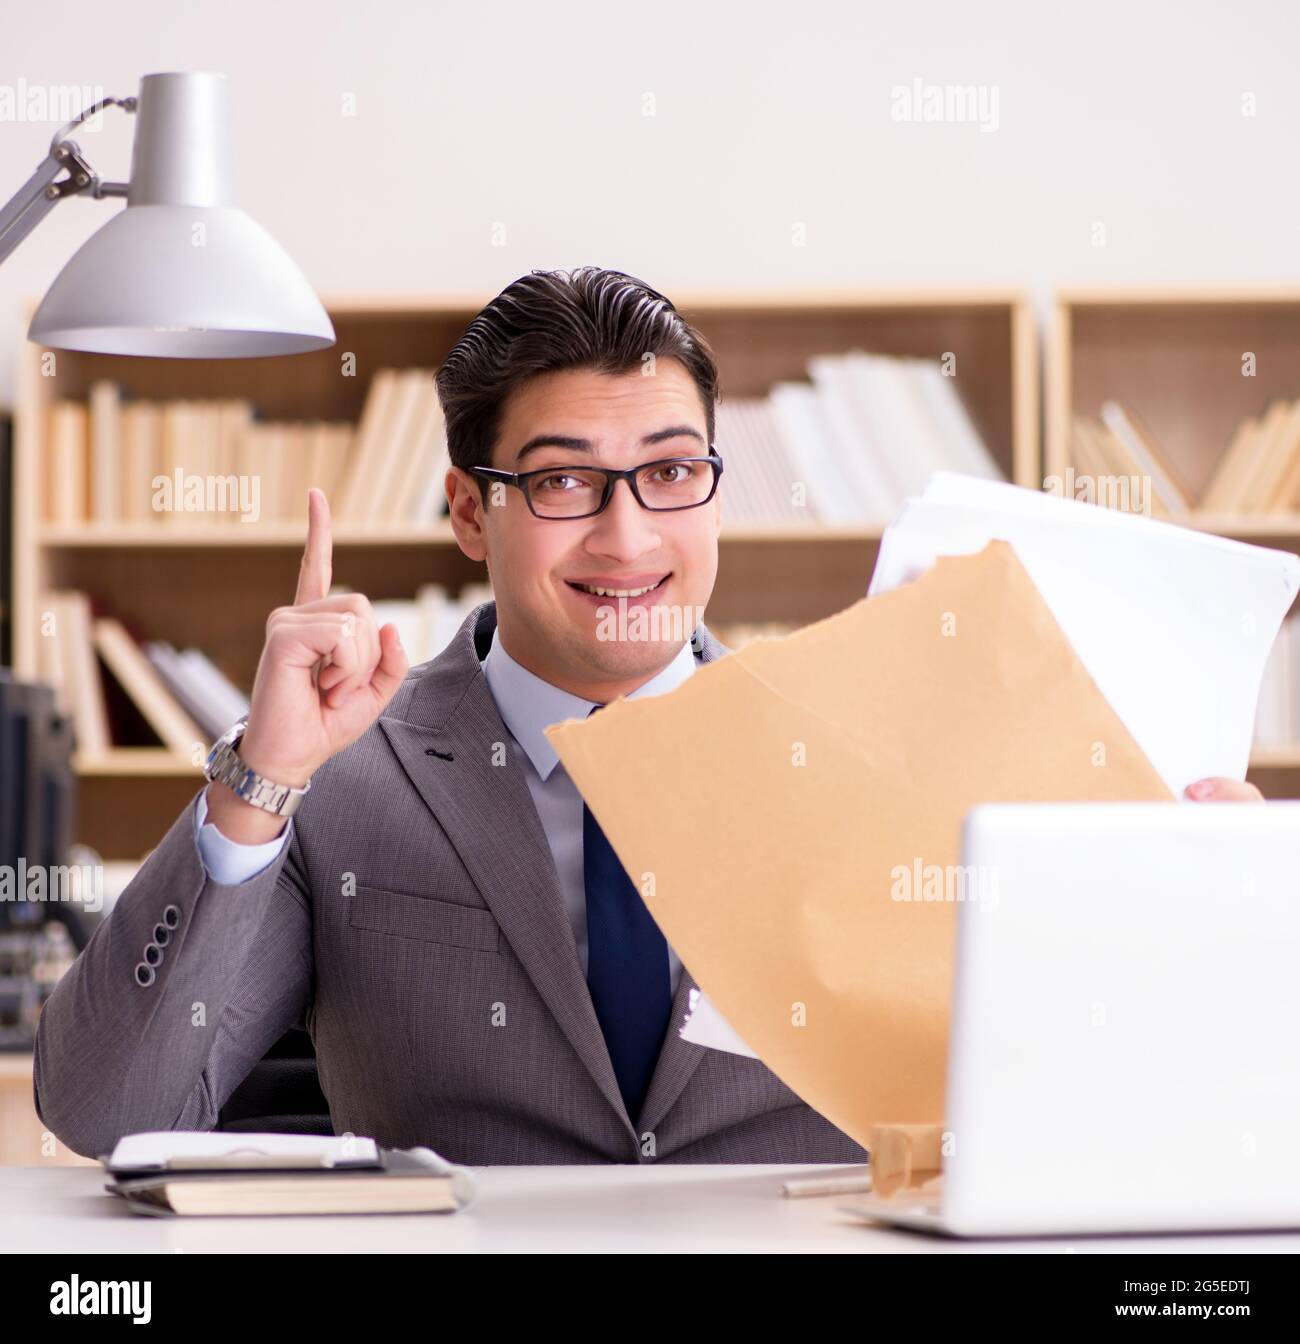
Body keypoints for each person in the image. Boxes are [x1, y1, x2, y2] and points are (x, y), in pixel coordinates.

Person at [33, 267, 1260, 1165]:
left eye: (671, 475)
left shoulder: (861, 738)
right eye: (564, 481)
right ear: (469, 512)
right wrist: (258, 781)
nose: (628, 541)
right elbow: (104, 1114)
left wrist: (1198, 912)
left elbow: (1090, 1106)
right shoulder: (350, 773)